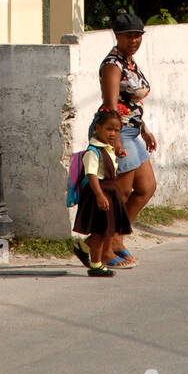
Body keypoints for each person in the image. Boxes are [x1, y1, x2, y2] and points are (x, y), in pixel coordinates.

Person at [98, 11, 157, 266]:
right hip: (118, 133)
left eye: (138, 35)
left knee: (146, 188)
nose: (134, 40)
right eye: (128, 35)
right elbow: (111, 105)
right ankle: (103, 247)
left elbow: (129, 102)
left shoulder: (130, 62)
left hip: (132, 131)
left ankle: (118, 237)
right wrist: (117, 140)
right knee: (119, 194)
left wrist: (143, 129)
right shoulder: (113, 64)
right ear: (117, 36)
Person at [71, 108, 131, 276]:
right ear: (97, 128)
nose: (113, 133)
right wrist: (99, 195)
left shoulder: (107, 148)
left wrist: (118, 152)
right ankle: (96, 264)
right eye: (109, 129)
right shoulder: (93, 151)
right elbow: (91, 174)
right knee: (100, 230)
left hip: (110, 193)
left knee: (107, 228)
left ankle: (83, 247)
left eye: (117, 130)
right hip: (100, 193)